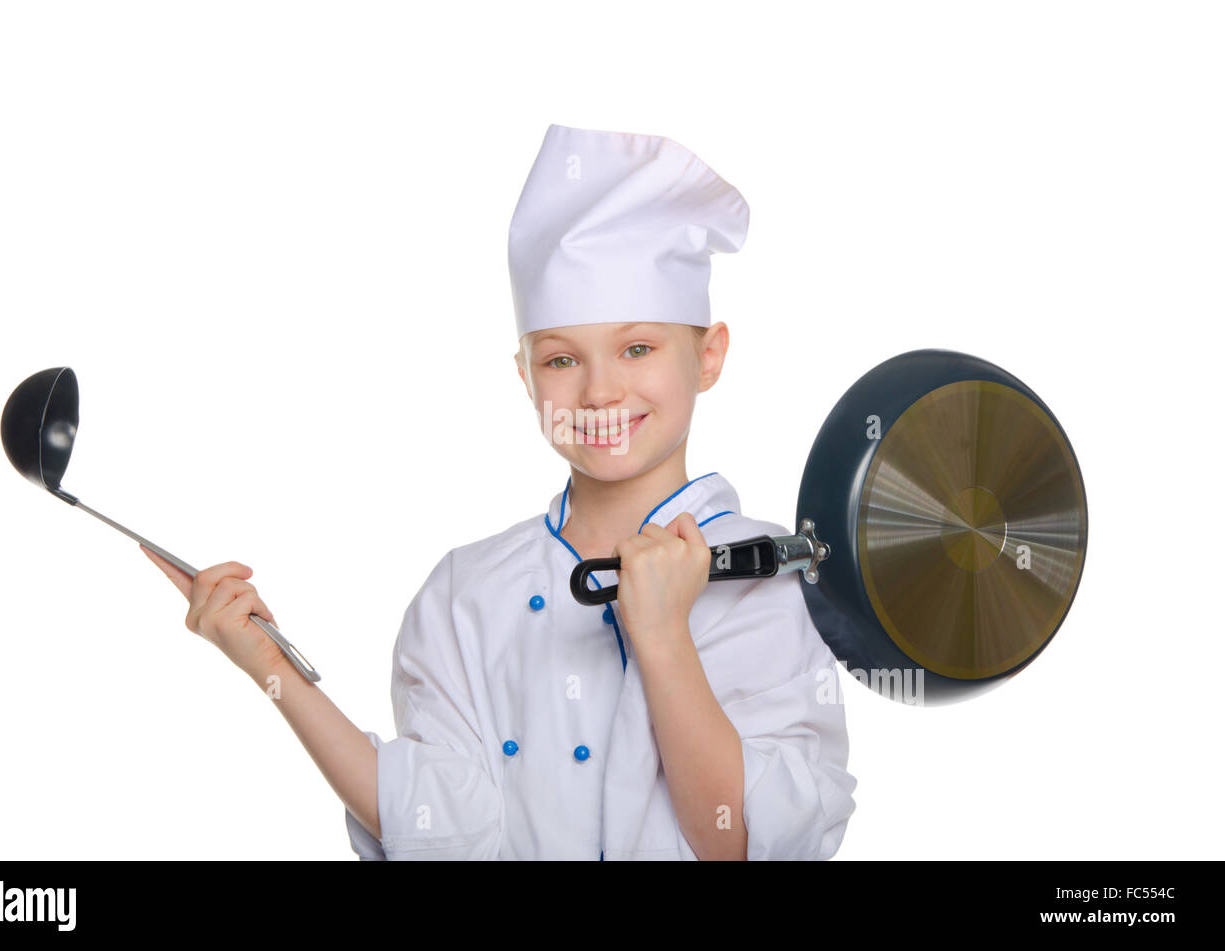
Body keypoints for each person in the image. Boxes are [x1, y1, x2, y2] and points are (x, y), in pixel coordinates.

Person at [142, 123, 857, 860]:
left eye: (637, 347)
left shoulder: (770, 577)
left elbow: (743, 840)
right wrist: (269, 665)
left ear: (708, 356)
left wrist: (665, 635)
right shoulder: (466, 593)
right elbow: (440, 827)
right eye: (559, 359)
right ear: (523, 374)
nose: (600, 388)